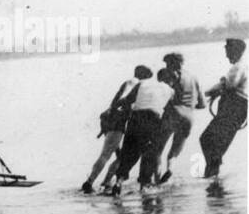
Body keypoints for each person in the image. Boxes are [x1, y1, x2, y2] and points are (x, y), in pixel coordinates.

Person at [105, 65, 172, 194]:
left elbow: (127, 100)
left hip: (136, 118)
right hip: (153, 119)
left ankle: (118, 183)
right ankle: (144, 186)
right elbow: (170, 112)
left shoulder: (143, 84)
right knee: (149, 153)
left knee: (128, 153)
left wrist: (111, 110)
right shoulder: (170, 90)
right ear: (170, 80)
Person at [82, 70, 139, 193]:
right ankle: (91, 182)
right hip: (119, 119)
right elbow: (123, 99)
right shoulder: (134, 82)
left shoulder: (130, 82)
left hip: (113, 118)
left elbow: (118, 100)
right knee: (108, 154)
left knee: (117, 156)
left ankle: (104, 182)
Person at [199, 37, 247, 179]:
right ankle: (214, 176)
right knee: (214, 141)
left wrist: (203, 94)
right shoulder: (242, 66)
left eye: (227, 51)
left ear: (234, 51)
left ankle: (213, 176)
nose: (226, 55)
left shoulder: (238, 67)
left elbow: (226, 86)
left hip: (234, 107)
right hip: (237, 108)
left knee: (207, 139)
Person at [155, 53, 204, 183]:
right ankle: (170, 169)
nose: (166, 67)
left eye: (167, 64)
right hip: (189, 117)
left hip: (173, 113)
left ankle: (156, 181)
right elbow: (202, 104)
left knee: (157, 150)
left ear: (173, 63)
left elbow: (163, 95)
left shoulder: (171, 76)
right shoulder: (194, 77)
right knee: (174, 153)